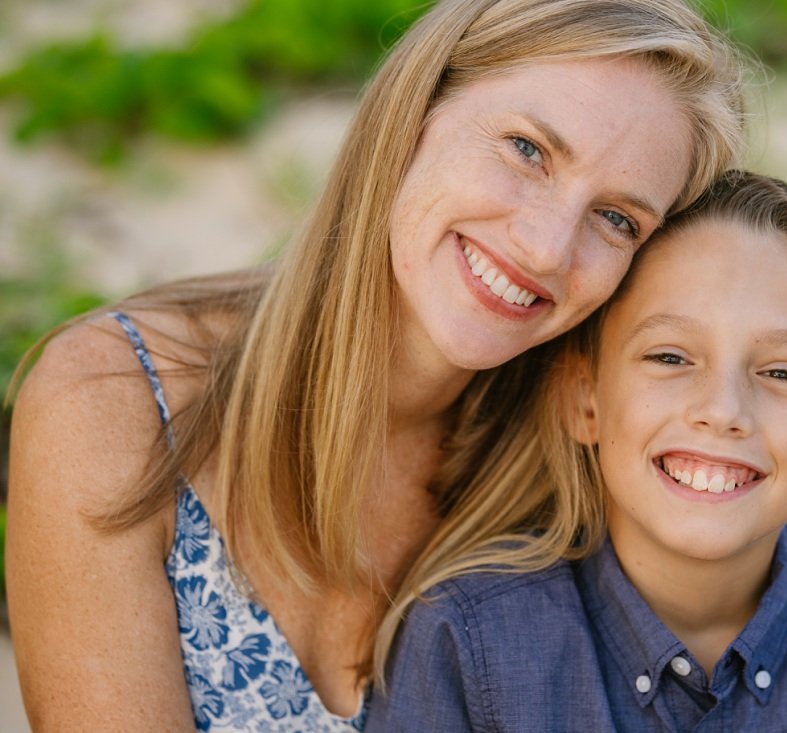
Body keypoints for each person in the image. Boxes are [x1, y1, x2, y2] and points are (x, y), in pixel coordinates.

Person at [4, 0, 747, 729]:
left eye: (617, 220)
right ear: (415, 109)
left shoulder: (584, 481)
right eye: (527, 149)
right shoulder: (112, 403)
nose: (547, 247)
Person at [367, 171, 787, 732]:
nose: (723, 410)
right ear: (585, 398)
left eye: (781, 372)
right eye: (670, 356)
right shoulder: (470, 644)